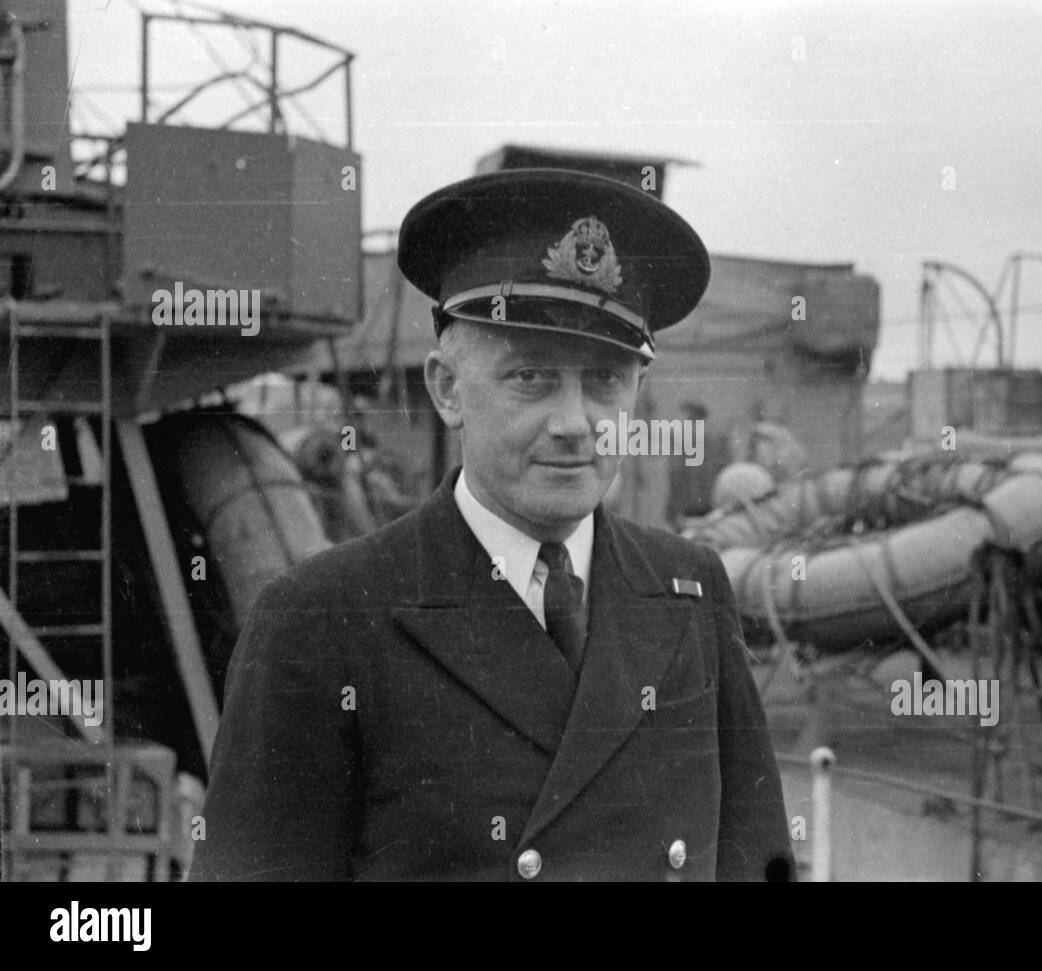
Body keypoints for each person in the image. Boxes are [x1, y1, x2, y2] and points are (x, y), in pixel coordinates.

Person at [189, 169, 794, 882]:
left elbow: (759, 861)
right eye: (531, 377)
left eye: (604, 380)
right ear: (447, 388)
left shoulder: (691, 590)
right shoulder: (321, 620)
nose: (575, 424)